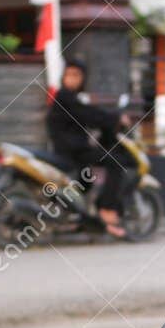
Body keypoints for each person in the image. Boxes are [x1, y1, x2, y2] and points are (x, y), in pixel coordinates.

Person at [46, 59, 129, 239]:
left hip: (73, 151)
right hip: (73, 152)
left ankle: (83, 220)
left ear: (83, 78)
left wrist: (108, 119)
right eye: (69, 75)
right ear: (63, 76)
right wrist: (115, 119)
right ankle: (107, 209)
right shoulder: (65, 97)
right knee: (116, 163)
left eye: (76, 75)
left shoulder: (70, 98)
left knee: (86, 182)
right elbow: (89, 114)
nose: (72, 79)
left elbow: (89, 114)